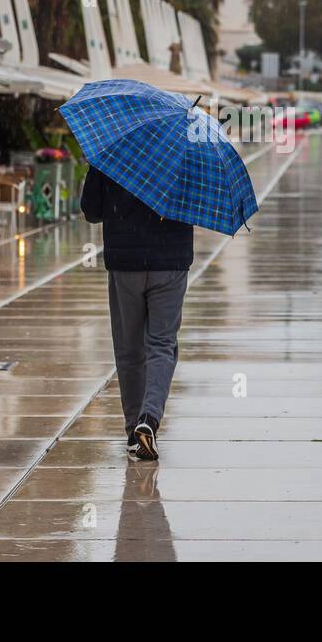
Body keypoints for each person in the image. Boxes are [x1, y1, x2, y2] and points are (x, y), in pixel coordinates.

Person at [81, 165, 192, 461]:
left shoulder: (113, 152)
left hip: (125, 261)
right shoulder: (186, 153)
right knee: (162, 345)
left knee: (129, 349)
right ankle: (150, 419)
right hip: (171, 261)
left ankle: (134, 431)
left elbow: (91, 210)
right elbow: (195, 206)